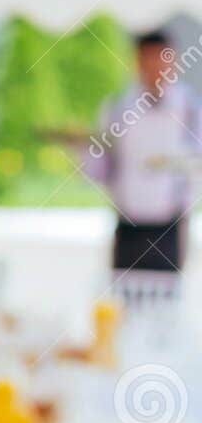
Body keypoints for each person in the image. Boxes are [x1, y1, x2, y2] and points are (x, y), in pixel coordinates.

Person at [81, 30, 202, 273]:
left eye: (162, 59)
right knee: (123, 291)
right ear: (137, 62)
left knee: (167, 293)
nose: (156, 68)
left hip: (169, 227)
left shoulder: (190, 108)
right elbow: (100, 170)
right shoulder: (117, 108)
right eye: (148, 59)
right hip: (128, 226)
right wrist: (84, 150)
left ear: (174, 61)